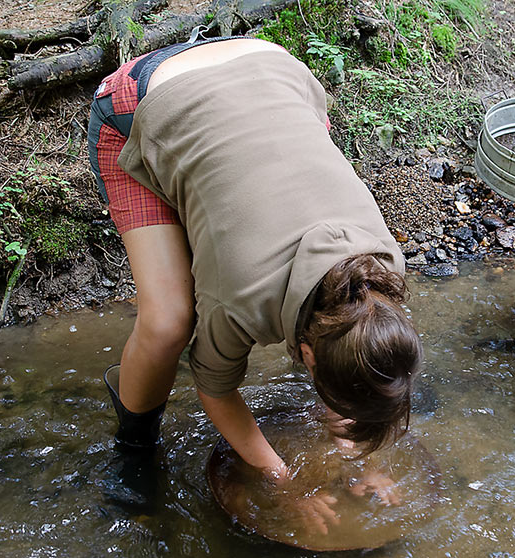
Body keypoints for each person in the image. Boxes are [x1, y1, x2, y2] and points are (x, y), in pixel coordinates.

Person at [87, 35, 422, 529]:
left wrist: (362, 461)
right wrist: (280, 479)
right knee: (168, 323)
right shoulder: (242, 298)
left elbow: (369, 364)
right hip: (143, 102)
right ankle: (133, 442)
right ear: (307, 356)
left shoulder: (382, 277)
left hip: (268, 67)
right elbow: (215, 390)